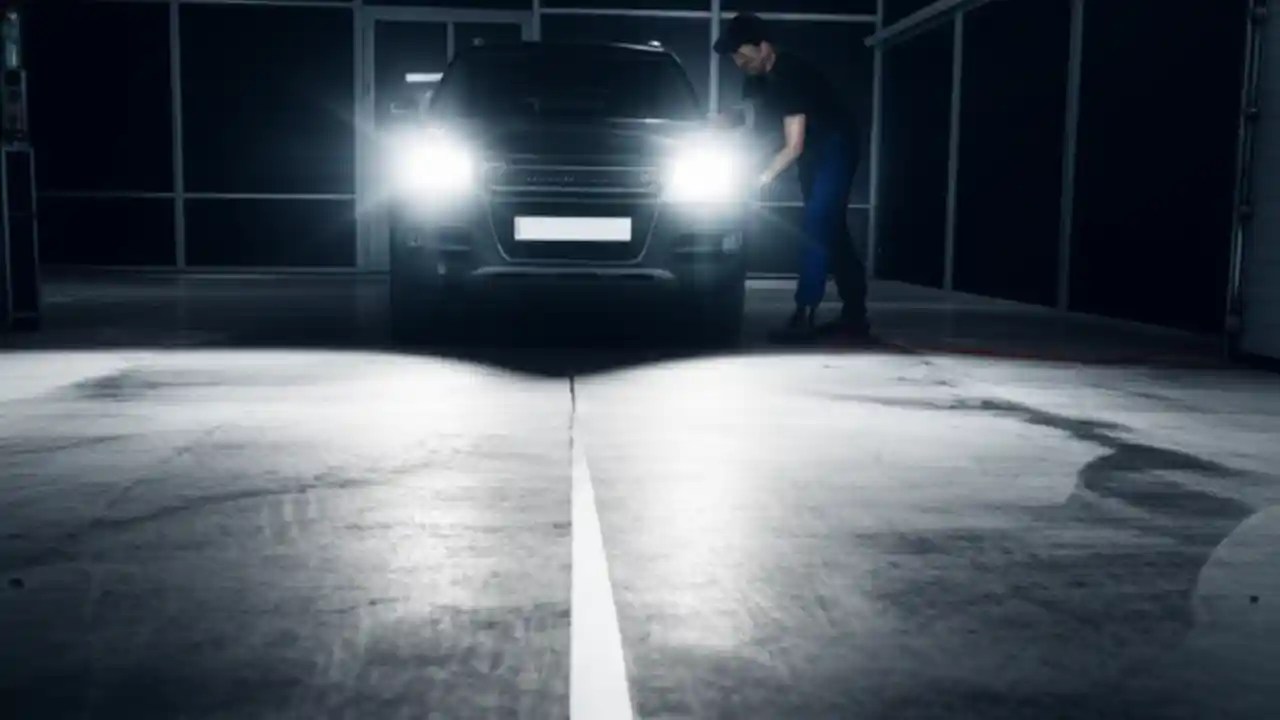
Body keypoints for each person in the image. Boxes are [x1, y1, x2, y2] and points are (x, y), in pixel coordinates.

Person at [714, 13, 875, 344]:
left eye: (743, 55)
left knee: (817, 222)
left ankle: (804, 314)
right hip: (810, 149)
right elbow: (755, 122)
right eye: (734, 58)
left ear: (764, 47)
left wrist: (759, 179)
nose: (739, 62)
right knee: (832, 228)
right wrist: (722, 125)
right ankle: (855, 315)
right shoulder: (755, 78)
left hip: (834, 143)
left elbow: (792, 146)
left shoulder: (792, 75)